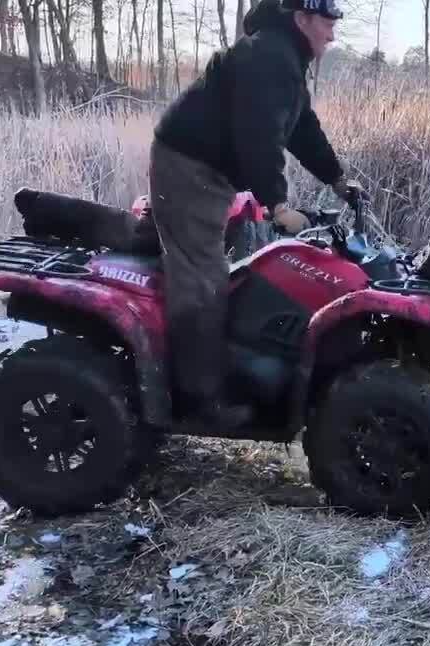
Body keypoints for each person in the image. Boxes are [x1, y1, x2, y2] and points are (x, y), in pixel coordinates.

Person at [148, 0, 349, 427]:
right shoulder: (270, 57)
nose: (332, 35)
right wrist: (277, 204)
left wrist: (336, 178)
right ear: (302, 20)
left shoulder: (282, 56)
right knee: (202, 276)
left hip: (209, 170)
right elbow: (259, 136)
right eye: (327, 25)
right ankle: (200, 400)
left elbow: (300, 126)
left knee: (230, 267)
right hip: (190, 166)